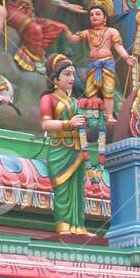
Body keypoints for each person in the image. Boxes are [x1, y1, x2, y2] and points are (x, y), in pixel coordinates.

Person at [39, 53, 90, 236]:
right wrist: (69, 124)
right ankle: (63, 226)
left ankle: (78, 226)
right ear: (55, 79)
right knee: (63, 189)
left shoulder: (75, 102)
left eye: (72, 74)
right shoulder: (48, 99)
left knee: (78, 190)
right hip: (59, 150)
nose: (71, 79)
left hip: (76, 150)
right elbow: (46, 125)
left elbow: (83, 127)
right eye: (67, 74)